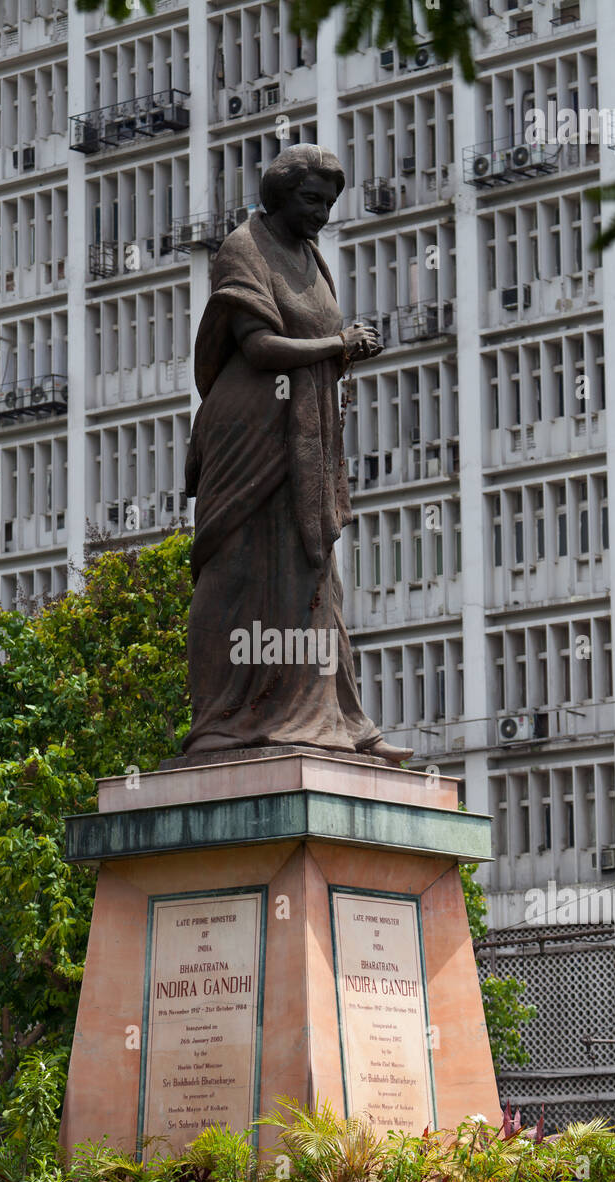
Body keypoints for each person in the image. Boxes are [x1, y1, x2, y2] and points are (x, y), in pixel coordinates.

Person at [183, 143, 413, 765]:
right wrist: (338, 343)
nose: (322, 213)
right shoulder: (243, 248)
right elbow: (257, 348)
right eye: (313, 199)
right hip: (250, 427)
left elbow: (311, 340)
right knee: (235, 565)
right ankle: (223, 720)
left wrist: (341, 349)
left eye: (330, 203)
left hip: (305, 427)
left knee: (312, 572)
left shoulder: (310, 255)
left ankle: (337, 719)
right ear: (279, 194)